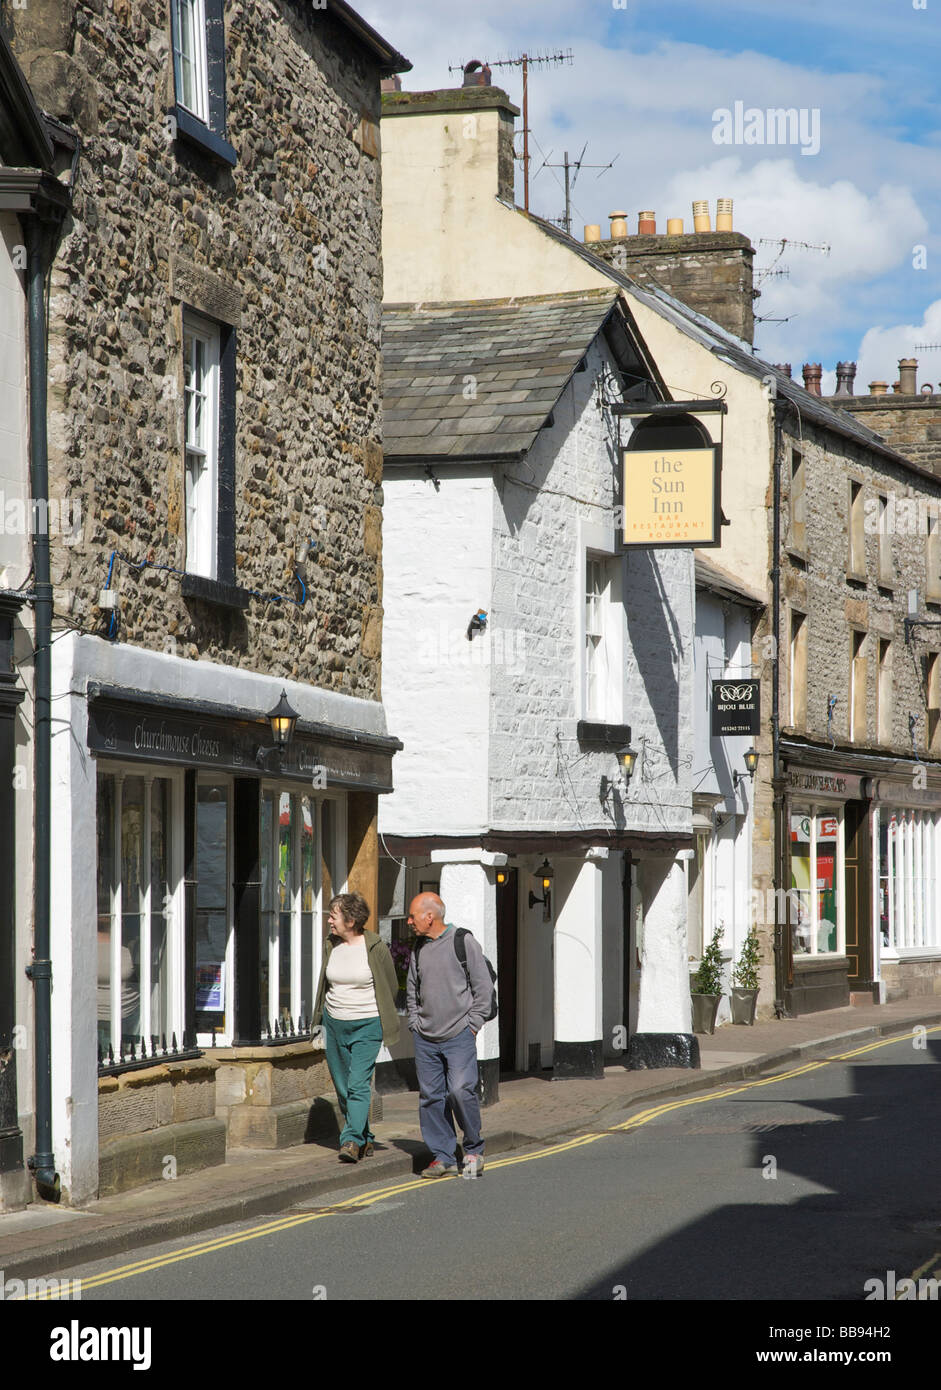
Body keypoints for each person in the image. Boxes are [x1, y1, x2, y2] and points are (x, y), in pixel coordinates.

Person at [406, 891, 492, 1179]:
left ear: (430, 916)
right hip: (425, 1037)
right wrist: (415, 1023)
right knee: (431, 1097)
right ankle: (442, 1156)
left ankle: (473, 1150)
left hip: (459, 1034)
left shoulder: (463, 942)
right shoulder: (418, 948)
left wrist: (473, 1023)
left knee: (459, 1091)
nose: (409, 921)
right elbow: (411, 988)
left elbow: (483, 989)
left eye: (413, 916)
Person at [313, 892, 399, 1163]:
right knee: (342, 1087)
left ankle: (350, 1140)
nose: (329, 921)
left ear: (351, 920)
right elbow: (325, 985)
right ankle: (366, 1138)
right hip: (334, 1023)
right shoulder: (331, 945)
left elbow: (391, 985)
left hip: (368, 1024)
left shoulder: (375, 947)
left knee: (357, 1084)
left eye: (333, 916)